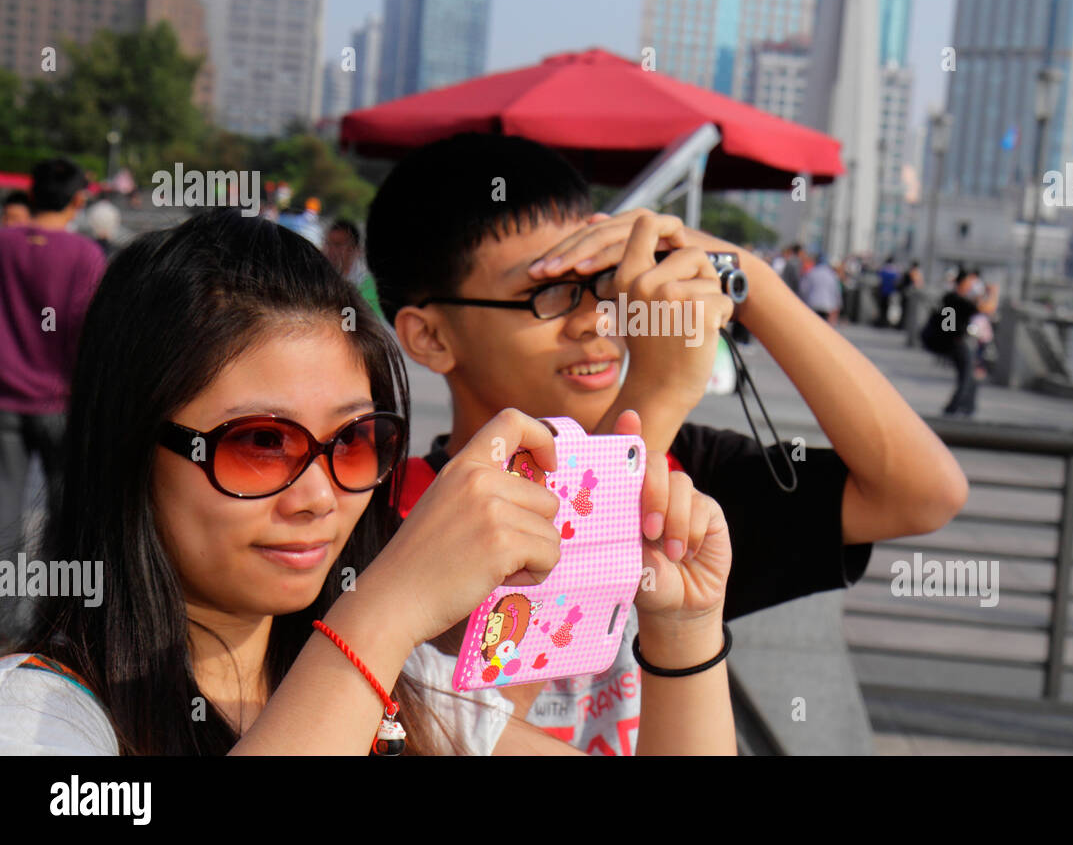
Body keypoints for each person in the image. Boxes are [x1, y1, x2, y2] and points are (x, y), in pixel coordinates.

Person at [0, 209, 736, 755]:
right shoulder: (42, 717)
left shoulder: (410, 690)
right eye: (261, 443)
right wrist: (384, 609)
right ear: (130, 444)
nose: (319, 495)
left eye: (353, 442)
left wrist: (684, 635)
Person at [365, 133, 968, 754]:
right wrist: (657, 393)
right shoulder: (380, 512)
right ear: (430, 336)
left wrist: (744, 274)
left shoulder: (682, 477)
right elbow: (469, 713)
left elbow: (923, 495)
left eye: (604, 282)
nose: (597, 318)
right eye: (548, 293)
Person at [0, 159, 106, 642]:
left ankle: (3, 620)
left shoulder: (3, 244)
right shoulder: (85, 255)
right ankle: (55, 621)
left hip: (5, 401)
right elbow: (92, 332)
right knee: (66, 515)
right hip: (61, 403)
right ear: (77, 201)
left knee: (5, 509)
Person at [939, 269, 999, 417]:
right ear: (963, 282)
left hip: (955, 342)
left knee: (968, 376)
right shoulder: (959, 300)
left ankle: (967, 406)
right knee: (967, 377)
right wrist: (993, 294)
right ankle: (953, 408)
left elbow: (948, 324)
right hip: (961, 343)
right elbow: (987, 309)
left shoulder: (951, 297)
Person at [323, 219, 383, 319]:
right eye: (328, 244)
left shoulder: (369, 286)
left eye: (338, 245)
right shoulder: (321, 278)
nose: (331, 250)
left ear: (355, 249)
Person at [800, 252, 843, 323]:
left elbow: (804, 289)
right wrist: (837, 305)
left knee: (812, 324)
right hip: (826, 306)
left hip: (813, 303)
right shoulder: (831, 275)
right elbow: (836, 291)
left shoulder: (812, 272)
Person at [874, 256, 899, 326]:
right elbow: (897, 281)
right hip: (890, 291)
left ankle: (881, 321)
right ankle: (886, 322)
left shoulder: (884, 269)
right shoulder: (894, 271)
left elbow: (879, 276)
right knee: (888, 308)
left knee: (881, 308)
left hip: (883, 291)